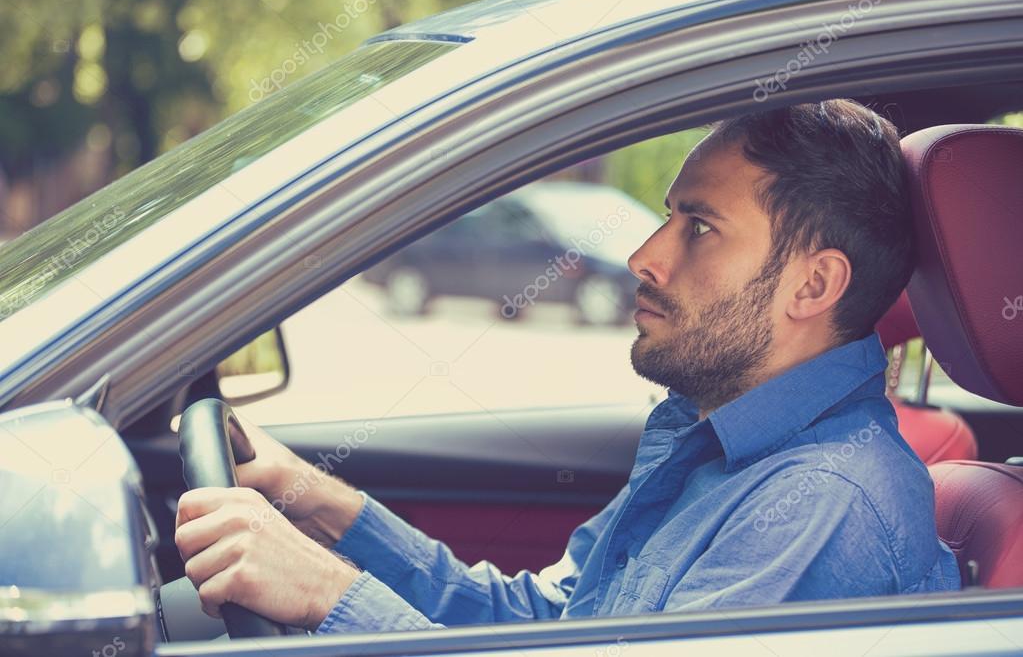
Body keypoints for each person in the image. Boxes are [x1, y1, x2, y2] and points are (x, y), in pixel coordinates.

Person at [174, 99, 961, 634]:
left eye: (698, 228)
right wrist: (324, 506)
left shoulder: (821, 505)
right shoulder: (710, 436)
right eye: (666, 217)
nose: (643, 257)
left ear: (813, 284)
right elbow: (550, 625)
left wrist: (323, 592)